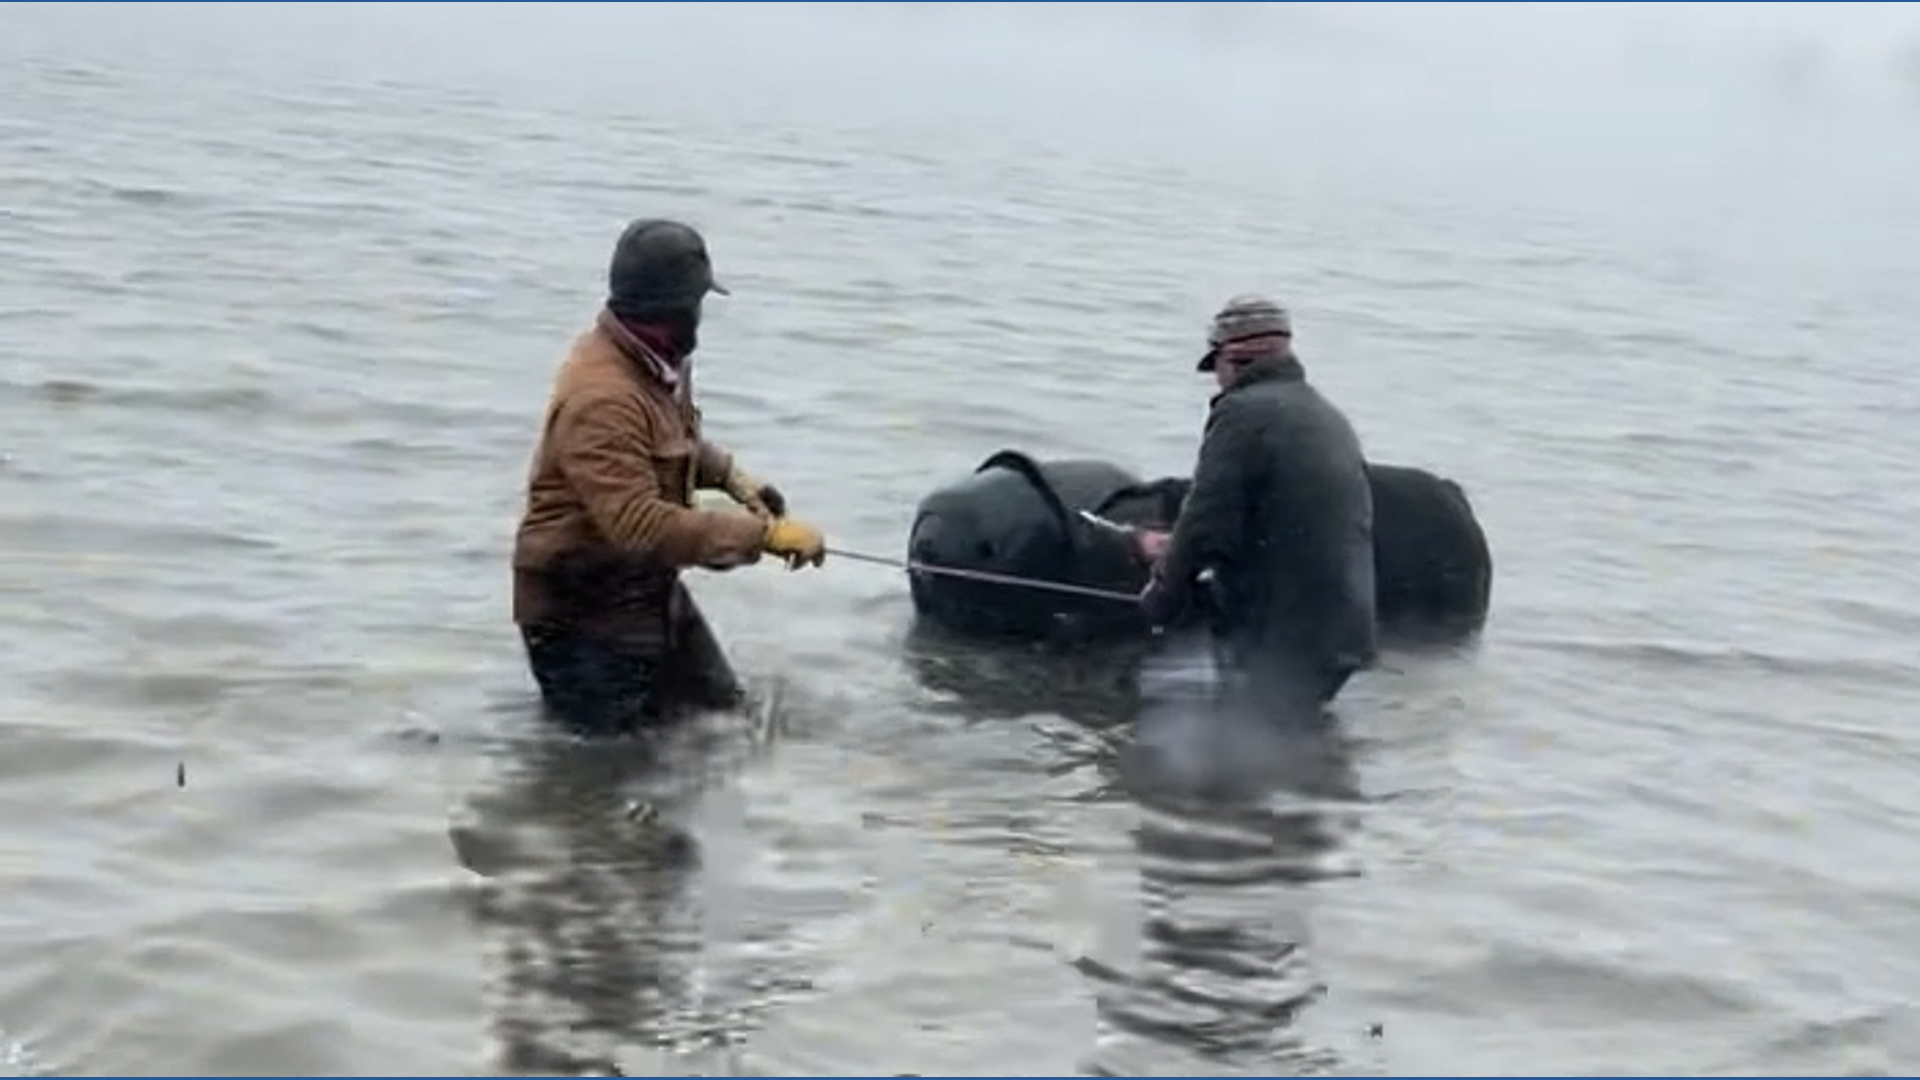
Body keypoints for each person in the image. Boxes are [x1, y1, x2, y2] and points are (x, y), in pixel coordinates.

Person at [511, 218, 828, 735]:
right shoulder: (602, 398)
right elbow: (639, 523)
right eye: (698, 302)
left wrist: (734, 480)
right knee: (611, 773)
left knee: (723, 721)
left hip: (645, 591)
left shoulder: (659, 362)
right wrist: (766, 537)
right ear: (673, 309)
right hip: (581, 614)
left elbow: (673, 443)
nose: (701, 313)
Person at [1135, 294, 1378, 709]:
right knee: (1291, 746)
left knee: (1252, 736)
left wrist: (1160, 594)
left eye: (1217, 369)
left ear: (1233, 358)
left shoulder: (1242, 413)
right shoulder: (1324, 413)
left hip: (1282, 636)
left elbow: (1205, 521)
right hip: (1345, 629)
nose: (1218, 381)